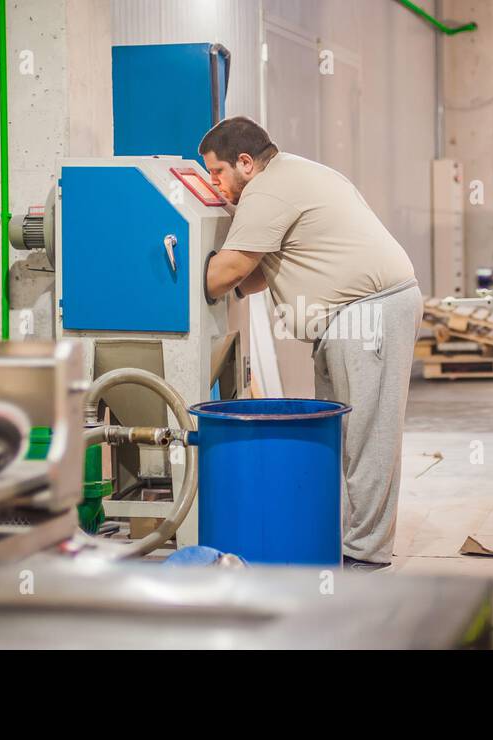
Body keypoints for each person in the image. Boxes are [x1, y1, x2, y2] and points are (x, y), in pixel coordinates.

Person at [200, 116, 421, 572]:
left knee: (367, 440)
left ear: (245, 162)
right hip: (351, 314)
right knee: (341, 438)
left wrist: (170, 281)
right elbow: (261, 270)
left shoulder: (266, 191)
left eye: (217, 172)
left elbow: (231, 270)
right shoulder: (295, 172)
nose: (213, 183)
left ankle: (365, 554)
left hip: (368, 311)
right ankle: (341, 539)